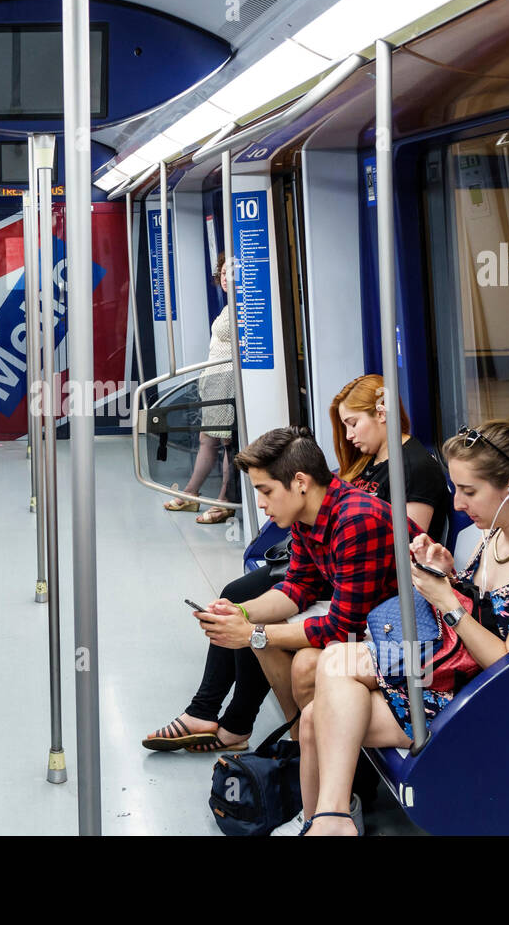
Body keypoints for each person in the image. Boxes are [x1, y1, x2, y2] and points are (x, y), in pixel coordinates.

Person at [144, 378, 443, 754]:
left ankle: (309, 749)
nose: (263, 504)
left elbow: (341, 626)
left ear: (299, 483)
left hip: (405, 634)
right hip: (367, 619)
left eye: (266, 491)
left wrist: (252, 631)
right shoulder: (306, 515)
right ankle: (300, 743)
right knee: (259, 634)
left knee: (288, 652)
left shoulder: (356, 520)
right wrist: (239, 612)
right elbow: (298, 587)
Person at [286, 422, 509, 835]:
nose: (457, 504)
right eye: (455, 488)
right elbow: (482, 608)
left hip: (472, 696)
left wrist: (445, 600)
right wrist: (447, 573)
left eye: (469, 491)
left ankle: (327, 818)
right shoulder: (492, 536)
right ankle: (325, 818)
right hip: (449, 667)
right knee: (322, 699)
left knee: (324, 700)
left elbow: (506, 666)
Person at [162, 253, 236, 524]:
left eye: (232, 271)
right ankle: (192, 494)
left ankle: (224, 500)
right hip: (215, 381)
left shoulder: (246, 305)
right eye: (223, 272)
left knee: (227, 443)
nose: (226, 277)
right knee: (209, 439)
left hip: (228, 381)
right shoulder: (230, 306)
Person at [332, 374, 450, 543]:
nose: (349, 436)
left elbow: (407, 545)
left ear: (381, 414)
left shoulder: (416, 468)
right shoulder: (366, 460)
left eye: (353, 424)